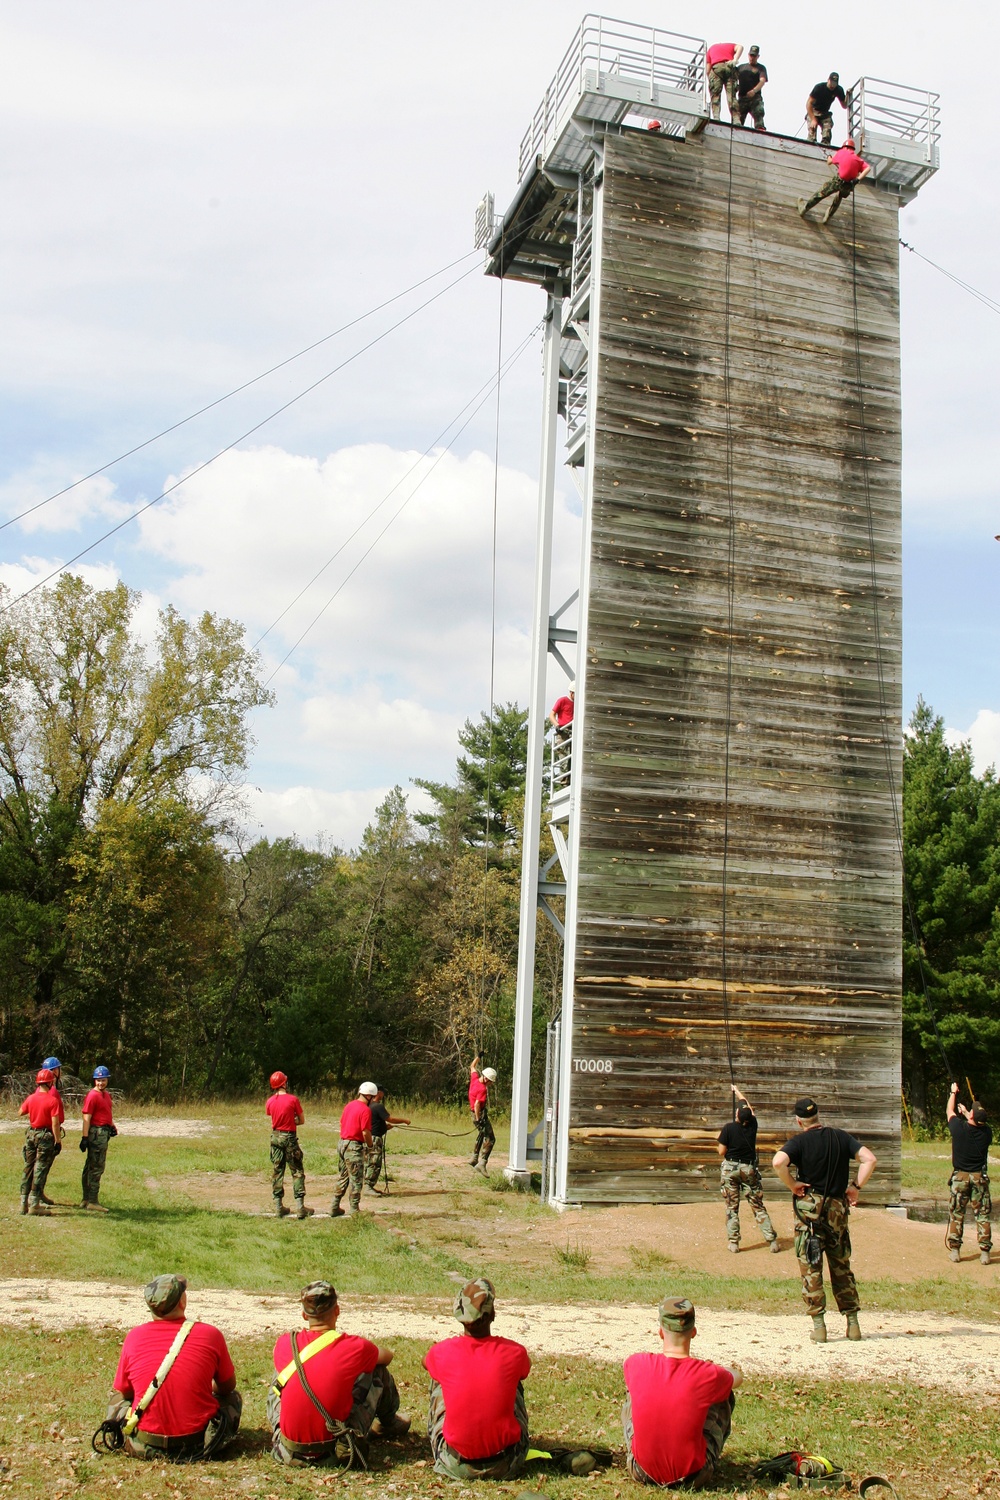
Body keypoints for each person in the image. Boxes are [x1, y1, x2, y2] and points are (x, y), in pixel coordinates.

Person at [268, 1279, 409, 1467]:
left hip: (287, 1451)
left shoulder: (286, 1342)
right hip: (336, 1451)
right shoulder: (354, 1347)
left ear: (304, 1315)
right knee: (377, 1370)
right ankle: (389, 1423)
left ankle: (290, 1431)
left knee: (279, 1378)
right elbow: (387, 1357)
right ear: (337, 1310)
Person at [772, 1097, 877, 1343]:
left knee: (811, 1267)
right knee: (841, 1266)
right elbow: (869, 1159)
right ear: (818, 1116)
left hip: (809, 1215)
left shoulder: (798, 1142)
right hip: (837, 1211)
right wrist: (855, 1187)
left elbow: (778, 1162)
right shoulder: (840, 1137)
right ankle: (853, 1325)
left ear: (798, 1121)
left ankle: (819, 1327)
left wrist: (793, 1184)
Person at [106, 1274, 242, 1460]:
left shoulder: (134, 1337)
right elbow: (228, 1387)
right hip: (198, 1446)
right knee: (233, 1399)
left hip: (144, 1445)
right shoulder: (210, 1334)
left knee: (116, 1399)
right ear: (182, 1302)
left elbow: (125, 1392)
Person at [623, 1296, 741, 1488]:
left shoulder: (637, 1363)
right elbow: (737, 1378)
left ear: (661, 1332)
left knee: (633, 1390)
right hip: (694, 1477)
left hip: (641, 1471)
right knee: (725, 1392)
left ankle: (646, 1452)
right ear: (693, 1332)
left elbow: (627, 1368)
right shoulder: (707, 1374)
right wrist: (716, 1369)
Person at [424, 1278, 530, 1481]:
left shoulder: (442, 1352)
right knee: (513, 1381)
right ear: (492, 1314)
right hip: (506, 1464)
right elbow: (526, 1368)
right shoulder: (514, 1353)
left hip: (456, 1465)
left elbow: (426, 1362)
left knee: (438, 1378)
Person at [716, 1085, 779, 1254]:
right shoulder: (753, 1126)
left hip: (730, 1168)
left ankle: (734, 1242)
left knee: (731, 1206)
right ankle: (771, 1240)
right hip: (749, 1169)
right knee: (757, 1205)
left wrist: (734, 1091)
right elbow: (749, 1109)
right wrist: (738, 1091)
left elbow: (721, 1151)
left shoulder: (728, 1128)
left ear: (737, 1115)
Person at [945, 1083, 992, 1265]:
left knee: (957, 1213)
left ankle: (955, 1251)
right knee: (982, 1215)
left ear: (971, 1116)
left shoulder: (958, 1129)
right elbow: (976, 1124)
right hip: (979, 1178)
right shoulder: (987, 1133)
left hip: (960, 1178)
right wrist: (967, 1113)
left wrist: (953, 1093)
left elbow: (949, 1110)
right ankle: (985, 1253)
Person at [265, 1071, 314, 1220]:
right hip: (289, 1137)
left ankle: (279, 1206)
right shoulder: (293, 1100)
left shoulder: (270, 1101)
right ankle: (300, 1207)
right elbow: (301, 1120)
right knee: (297, 1171)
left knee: (277, 1171)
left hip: (275, 1137)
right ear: (284, 1083)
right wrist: (292, 1121)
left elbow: (272, 1116)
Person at [19, 1069, 63, 1216]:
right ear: (50, 1082)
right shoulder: (53, 1100)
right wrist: (58, 1141)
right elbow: (55, 1123)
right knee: (40, 1169)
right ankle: (35, 1204)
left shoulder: (31, 1098)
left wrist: (33, 1112)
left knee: (28, 1167)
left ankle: (23, 1203)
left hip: (31, 1134)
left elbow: (20, 1112)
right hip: (45, 1135)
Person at [797, 138, 871, 223]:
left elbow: (829, 162)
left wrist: (829, 157)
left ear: (845, 147)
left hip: (839, 181)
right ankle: (828, 215)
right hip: (849, 186)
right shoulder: (858, 159)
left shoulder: (842, 152)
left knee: (821, 193)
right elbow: (868, 168)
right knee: (839, 197)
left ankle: (804, 208)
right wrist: (857, 179)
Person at [332, 1082, 378, 1217]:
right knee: (356, 1179)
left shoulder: (349, 1105)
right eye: (373, 1097)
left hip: (342, 1144)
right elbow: (365, 1132)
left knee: (343, 1176)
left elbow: (342, 1122)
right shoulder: (365, 1110)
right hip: (353, 1147)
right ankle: (354, 1210)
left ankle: (334, 1206)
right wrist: (370, 1146)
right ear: (369, 1096)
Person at [80, 1064, 116, 1211]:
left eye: (103, 1080)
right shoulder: (92, 1096)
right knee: (96, 1167)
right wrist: (84, 1137)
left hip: (104, 1131)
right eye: (98, 1080)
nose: (101, 1083)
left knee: (92, 1165)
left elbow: (107, 1112)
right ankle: (92, 1201)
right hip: (97, 1133)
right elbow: (86, 1118)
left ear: (107, 1080)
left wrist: (112, 1126)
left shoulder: (106, 1095)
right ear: (94, 1080)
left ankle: (86, 1199)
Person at [365, 1088, 411, 1193]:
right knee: (374, 1163)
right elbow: (390, 1119)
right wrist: (404, 1120)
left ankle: (367, 1185)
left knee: (368, 1161)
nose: (383, 1094)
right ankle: (368, 1186)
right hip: (375, 1138)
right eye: (382, 1092)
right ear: (378, 1093)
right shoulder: (378, 1106)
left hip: (368, 1137)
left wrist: (385, 1127)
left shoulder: (369, 1106)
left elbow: (374, 1122)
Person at [38, 1057, 65, 1206]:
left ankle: (38, 1192)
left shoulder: (41, 1089)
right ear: (55, 1071)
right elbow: (53, 1116)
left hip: (42, 1130)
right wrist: (57, 1139)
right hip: (49, 1131)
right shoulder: (52, 1091)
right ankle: (37, 1193)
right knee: (44, 1165)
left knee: (40, 1164)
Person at [468, 1056, 497, 1175]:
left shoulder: (474, 1079)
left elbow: (472, 1066)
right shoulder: (482, 1089)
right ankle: (482, 1163)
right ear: (486, 1079)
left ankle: (474, 1158)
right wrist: (479, 1118)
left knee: (482, 1133)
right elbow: (477, 1105)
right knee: (491, 1138)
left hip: (472, 1115)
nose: (490, 1084)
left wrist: (478, 1057)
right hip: (478, 1114)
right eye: (490, 1082)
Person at [704, 41, 743, 122]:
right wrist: (735, 60)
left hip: (716, 68)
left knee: (715, 95)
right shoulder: (730, 45)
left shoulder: (711, 49)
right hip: (729, 67)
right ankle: (736, 120)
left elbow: (708, 68)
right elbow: (740, 47)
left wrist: (710, 80)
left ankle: (716, 118)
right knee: (731, 96)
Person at [806, 73, 848, 145]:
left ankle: (825, 146)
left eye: (834, 84)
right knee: (812, 131)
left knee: (827, 132)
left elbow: (844, 105)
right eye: (831, 83)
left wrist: (848, 95)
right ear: (828, 80)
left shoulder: (838, 90)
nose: (832, 86)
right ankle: (810, 144)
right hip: (814, 111)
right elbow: (808, 103)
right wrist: (813, 119)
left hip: (825, 113)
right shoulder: (819, 88)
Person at [736, 46, 767, 131]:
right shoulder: (741, 68)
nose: (752, 58)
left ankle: (760, 131)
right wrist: (736, 87)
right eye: (751, 55)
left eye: (754, 56)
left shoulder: (761, 68)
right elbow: (733, 79)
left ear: (758, 56)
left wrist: (754, 91)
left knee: (758, 114)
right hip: (742, 98)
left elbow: (762, 81)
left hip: (755, 98)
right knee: (737, 120)